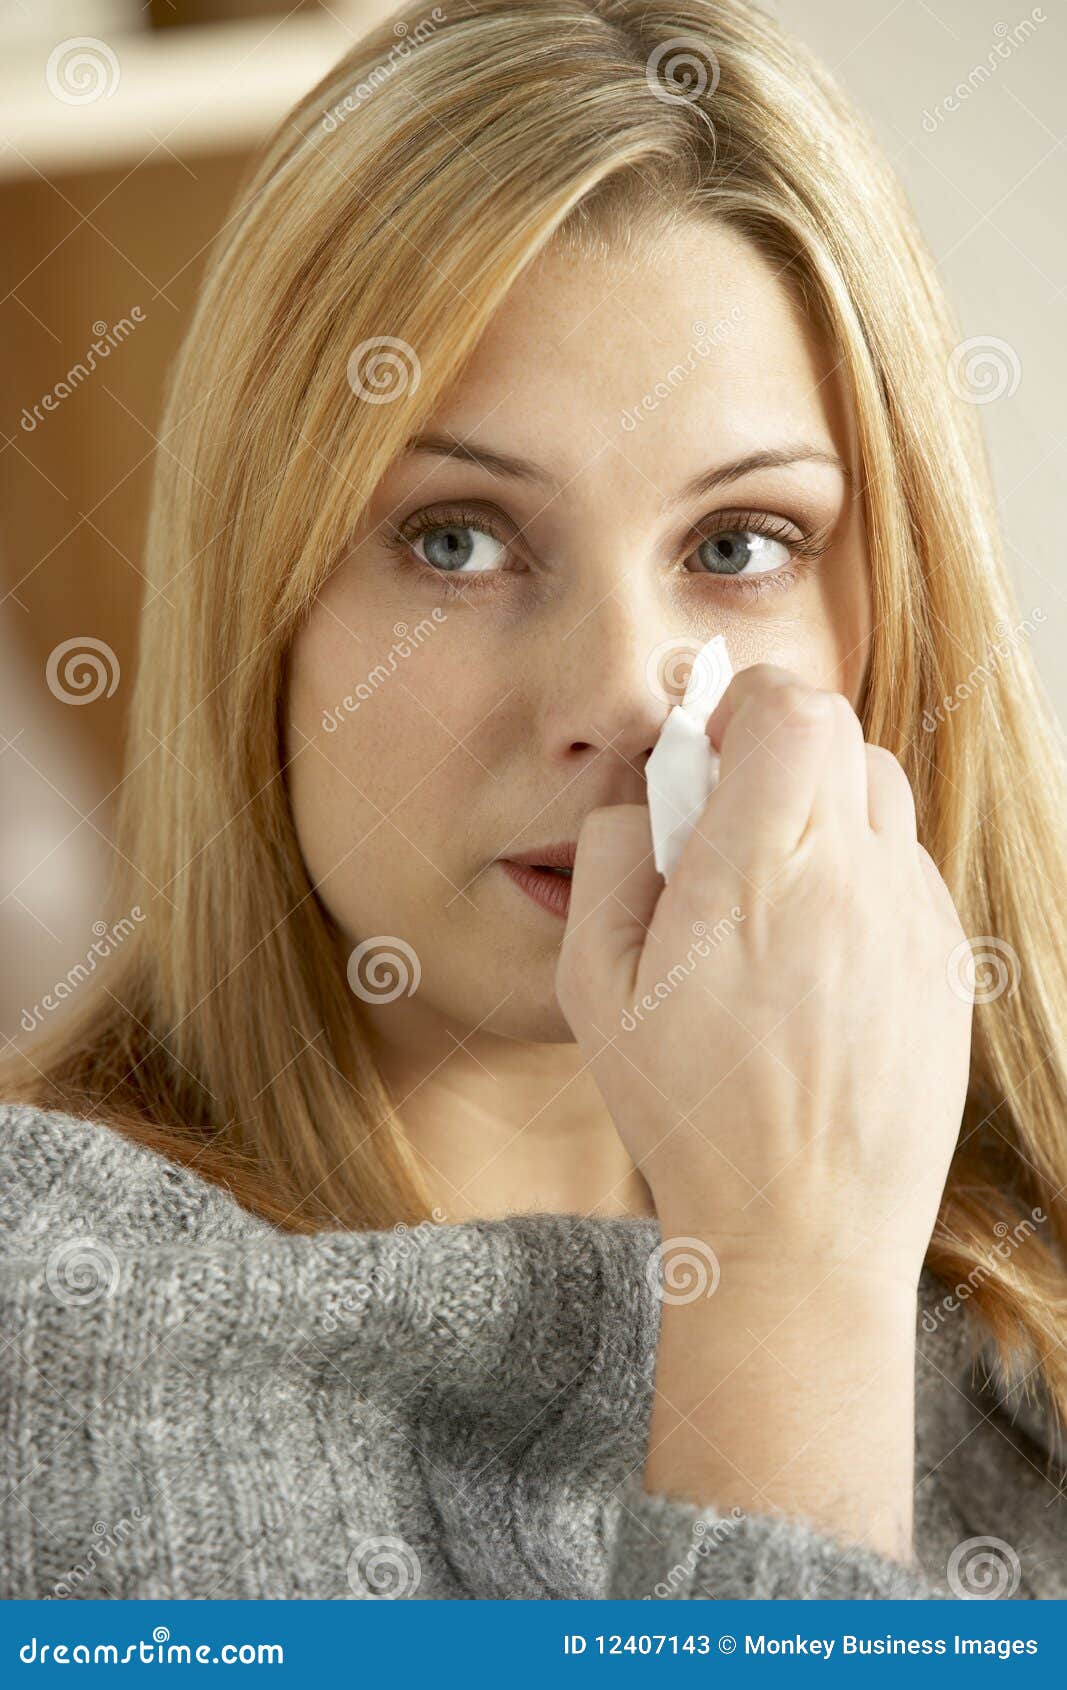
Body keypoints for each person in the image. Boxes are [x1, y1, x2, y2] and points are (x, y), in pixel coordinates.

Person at [2, 0, 1065, 1602]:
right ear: (258, 611)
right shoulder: (62, 1341)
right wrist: (783, 1290)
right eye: (455, 539)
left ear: (895, 617)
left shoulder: (1016, 1306)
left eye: (738, 545)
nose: (620, 706)